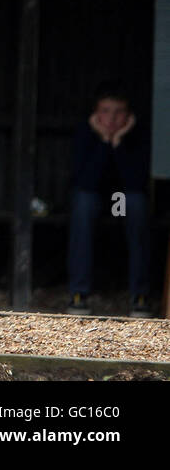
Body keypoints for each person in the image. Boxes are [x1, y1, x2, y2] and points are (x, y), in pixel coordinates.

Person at [65, 82, 153, 318]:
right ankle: (78, 294)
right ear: (96, 114)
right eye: (105, 111)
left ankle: (140, 296)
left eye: (119, 112)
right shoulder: (86, 132)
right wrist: (104, 141)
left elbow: (135, 181)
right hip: (94, 197)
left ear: (129, 115)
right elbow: (86, 180)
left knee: (137, 204)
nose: (112, 118)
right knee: (83, 203)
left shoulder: (138, 134)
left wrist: (119, 142)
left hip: (124, 199)